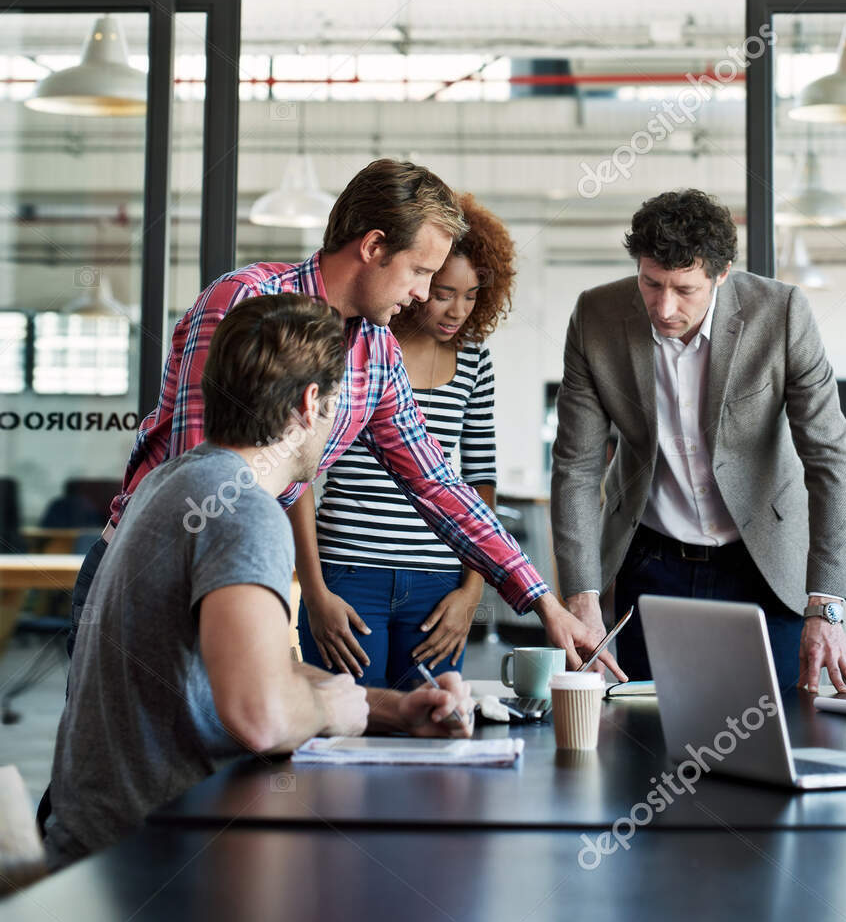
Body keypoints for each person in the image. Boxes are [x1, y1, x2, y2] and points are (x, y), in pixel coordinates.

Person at [62, 159, 618, 677]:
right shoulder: (246, 300)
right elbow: (200, 474)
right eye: (420, 271)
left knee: (224, 775)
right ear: (374, 246)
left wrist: (543, 601)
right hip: (149, 573)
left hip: (238, 581)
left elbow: (436, 483)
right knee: (111, 774)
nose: (425, 293)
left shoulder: (376, 352)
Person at [43, 295, 475, 868]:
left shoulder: (175, 480)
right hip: (151, 866)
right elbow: (260, 714)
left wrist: (391, 710)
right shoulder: (244, 510)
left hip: (107, 844)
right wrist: (327, 714)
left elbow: (252, 664)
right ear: (308, 403)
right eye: (338, 406)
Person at [550, 188, 846, 694]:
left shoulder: (781, 314)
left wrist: (826, 602)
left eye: (684, 289)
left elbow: (829, 460)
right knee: (648, 739)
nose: (665, 306)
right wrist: (581, 595)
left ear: (722, 273)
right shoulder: (596, 317)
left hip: (764, 563)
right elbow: (576, 467)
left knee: (775, 732)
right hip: (651, 563)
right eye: (651, 283)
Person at [295, 195, 514, 684]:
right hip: (348, 573)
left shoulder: (475, 362)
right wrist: (313, 590)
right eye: (442, 291)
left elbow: (476, 481)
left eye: (473, 294)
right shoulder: (357, 345)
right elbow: (299, 473)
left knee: (435, 729)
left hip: (438, 586)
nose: (458, 310)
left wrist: (471, 593)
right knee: (343, 732)